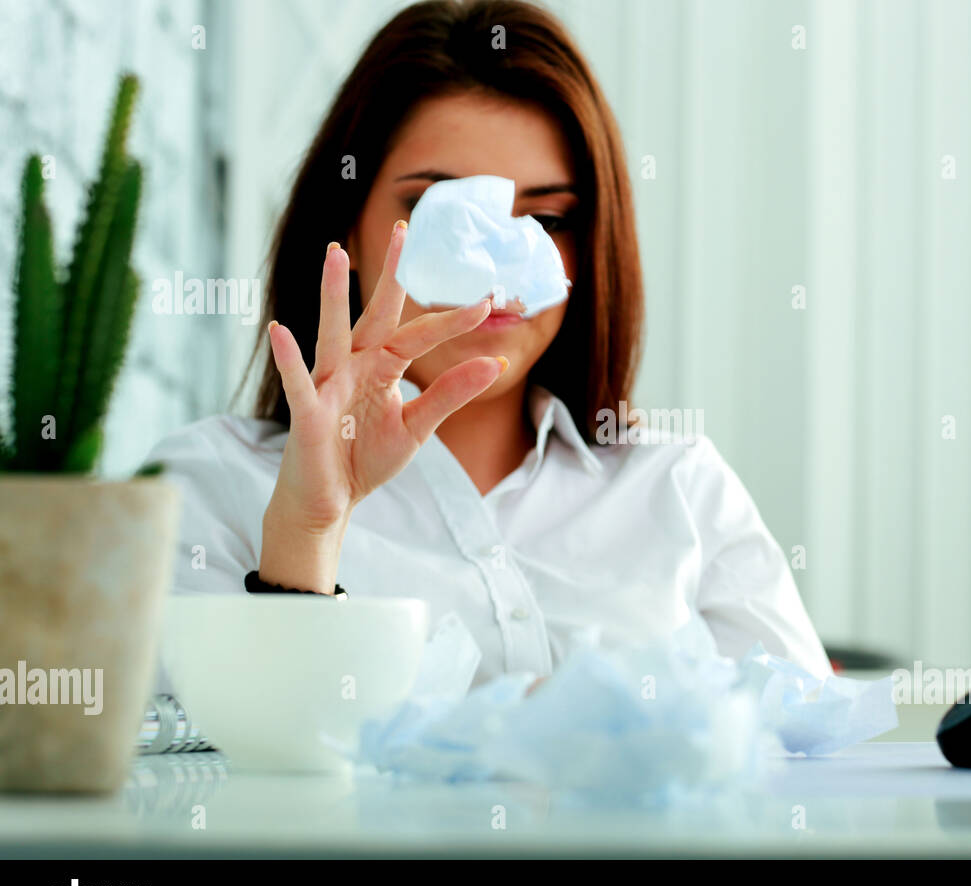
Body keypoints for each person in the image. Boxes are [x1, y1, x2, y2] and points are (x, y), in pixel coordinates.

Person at [143, 0, 832, 687]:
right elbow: (209, 777)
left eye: (545, 220)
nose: (494, 270)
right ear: (348, 224)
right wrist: (309, 532)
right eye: (441, 212)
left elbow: (807, 753)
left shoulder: (679, 486)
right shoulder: (208, 489)